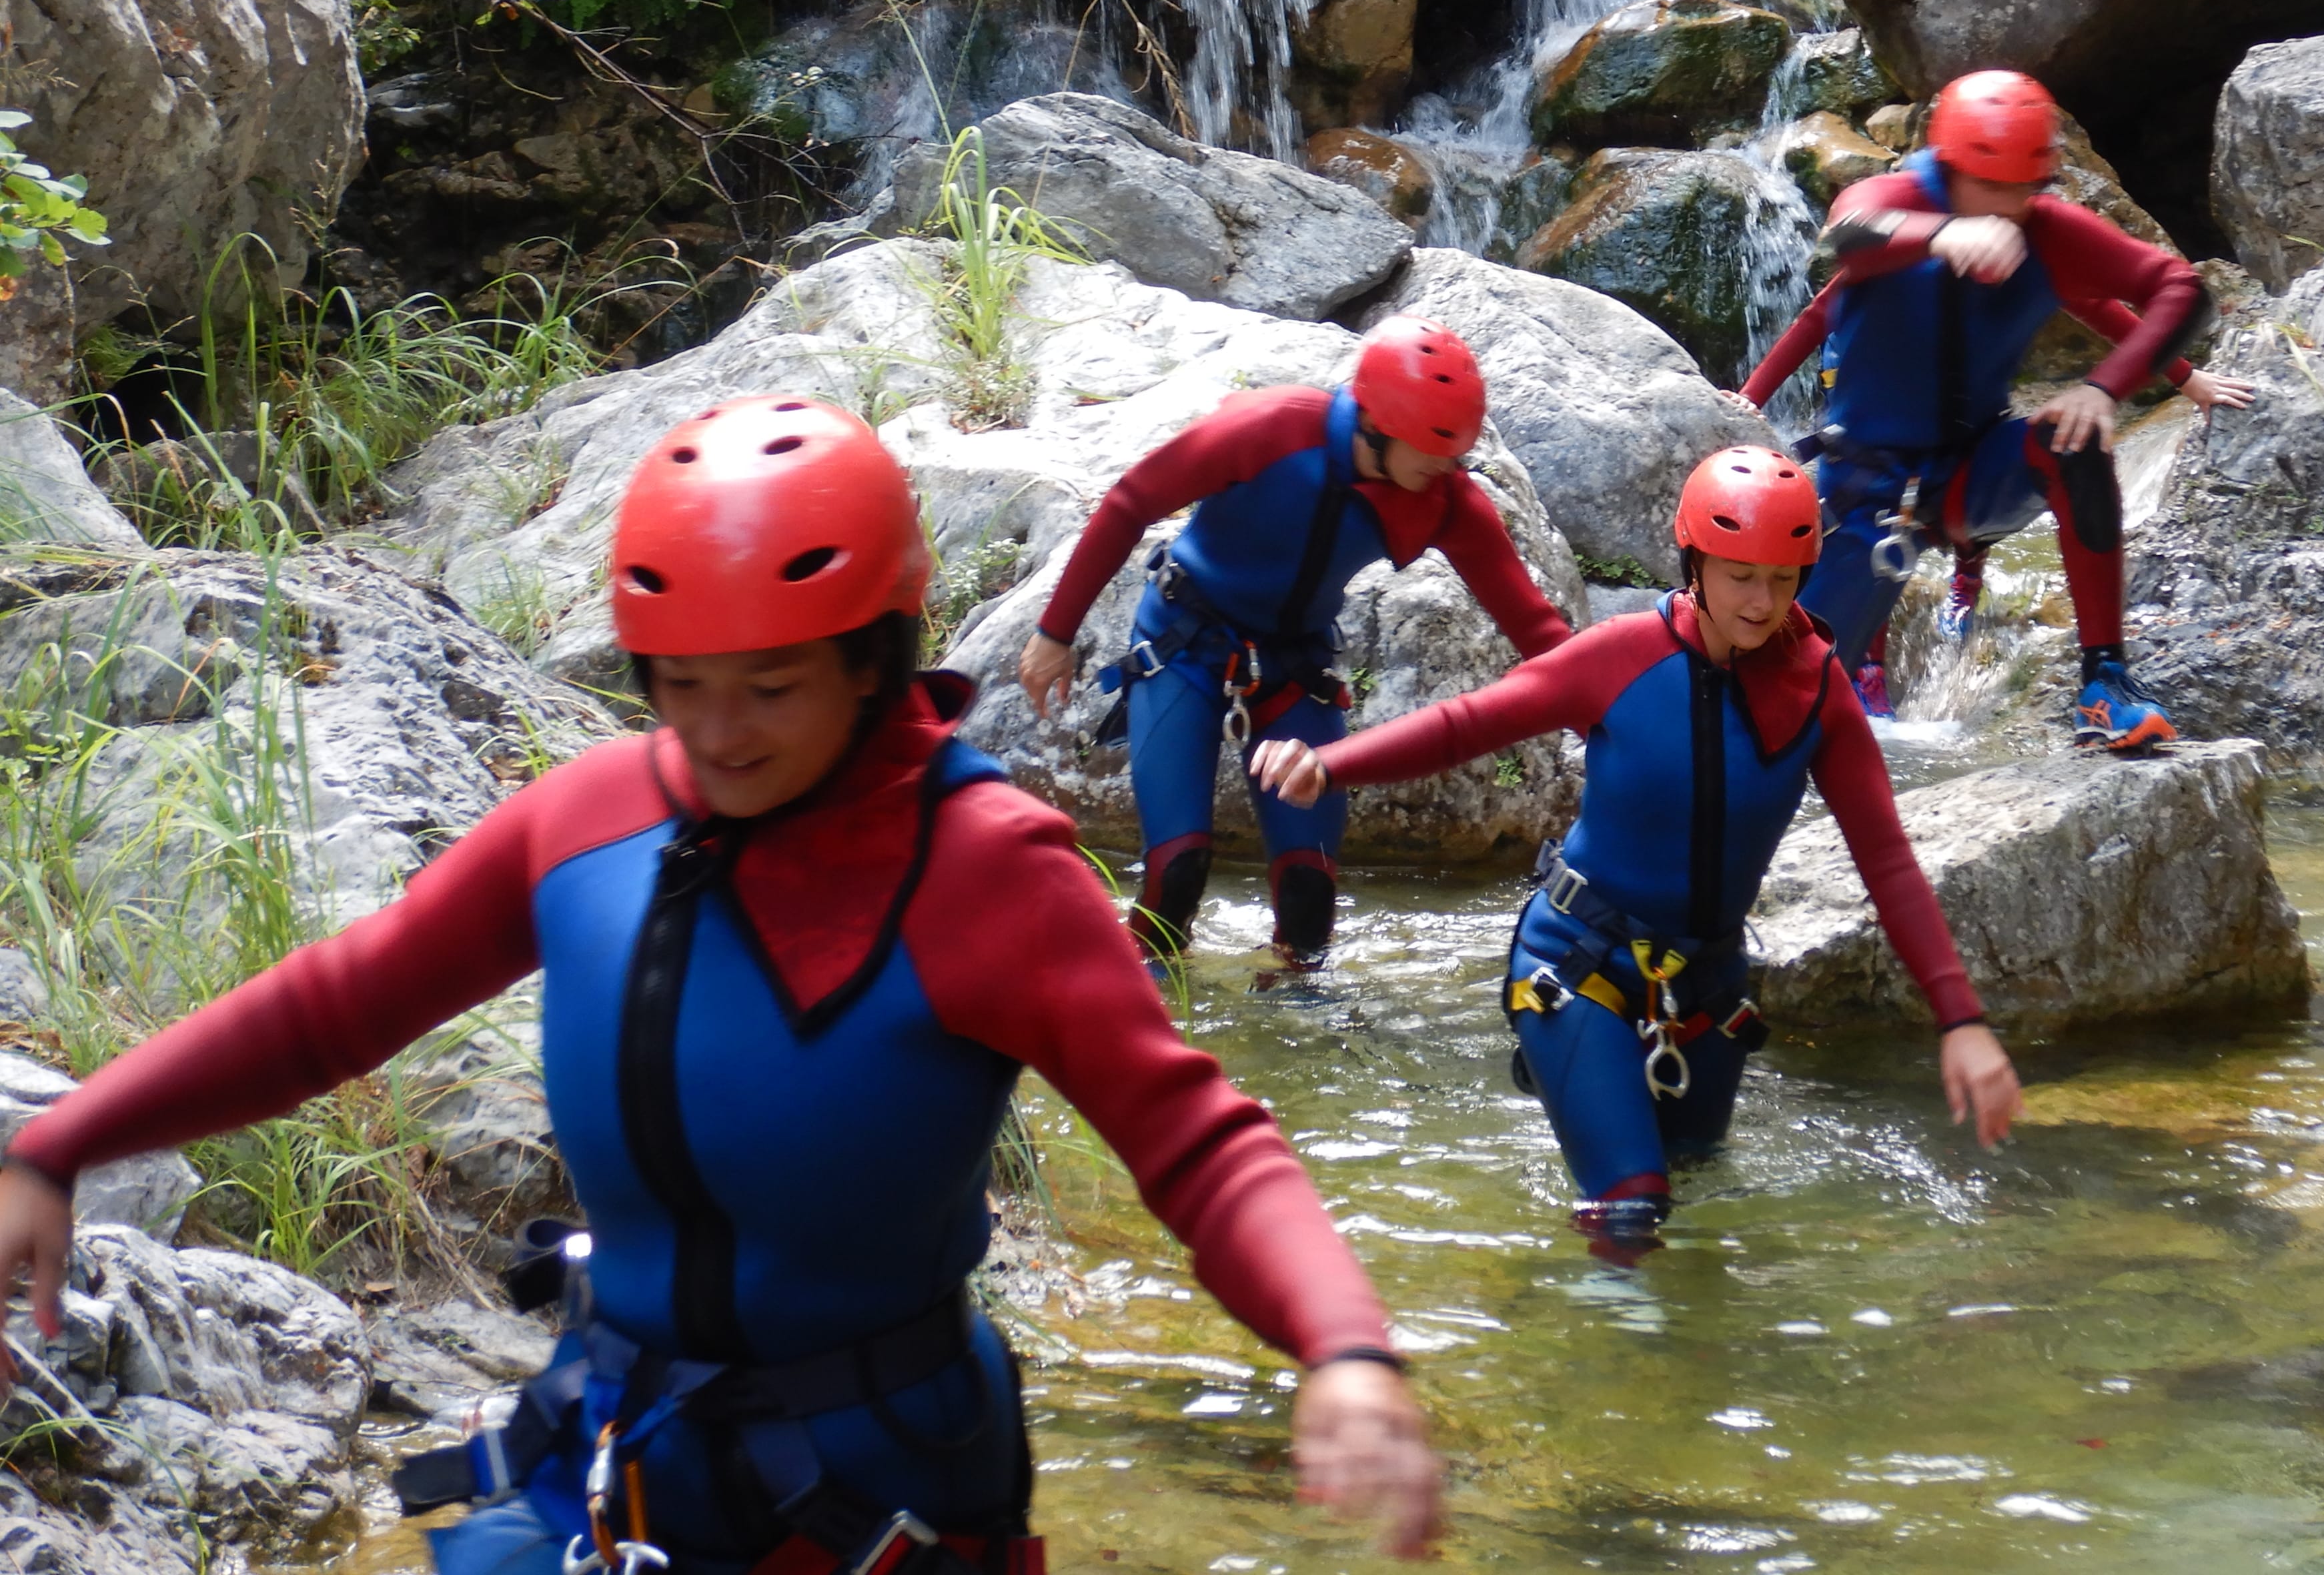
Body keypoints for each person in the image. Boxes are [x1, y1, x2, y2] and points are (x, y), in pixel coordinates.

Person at [0, 396, 1440, 1575]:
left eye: (770, 684)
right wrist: (60, 1143)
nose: (717, 732)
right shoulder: (592, 818)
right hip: (616, 1439)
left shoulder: (992, 870)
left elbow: (1196, 1144)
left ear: (875, 658)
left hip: (874, 1486)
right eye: (677, 684)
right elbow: (340, 1005)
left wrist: (1344, 1349)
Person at [1249, 447, 2021, 1259]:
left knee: (1694, 1194)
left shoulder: (1819, 687)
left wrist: (1960, 1020)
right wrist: (1331, 764)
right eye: (1740, 576)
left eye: (1784, 578)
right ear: (1695, 564)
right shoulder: (1619, 658)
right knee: (1630, 1208)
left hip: (1708, 992)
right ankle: (1594, 1372)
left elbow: (1888, 862)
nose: (1763, 604)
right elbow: (1470, 722)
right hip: (1577, 964)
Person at [1015, 317, 1572, 967]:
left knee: (1310, 900)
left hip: (1294, 667)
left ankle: (1289, 1031)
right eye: (1435, 451)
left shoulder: (1443, 499)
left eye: (1457, 454)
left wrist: (1611, 710)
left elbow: (1535, 626)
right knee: (1179, 871)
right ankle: (1140, 1014)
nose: (1449, 468)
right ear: (1376, 425)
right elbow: (1131, 502)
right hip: (1184, 647)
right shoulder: (1270, 429)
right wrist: (1055, 632)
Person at [1738, 68, 2257, 744]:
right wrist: (1937, 236)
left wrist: (2106, 388)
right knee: (1775, 709)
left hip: (1970, 477)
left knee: (2072, 443)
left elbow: (2178, 289)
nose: (2008, 206)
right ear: (1946, 166)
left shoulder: (2046, 231)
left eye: (2026, 189)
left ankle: (2105, 683)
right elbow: (1842, 237)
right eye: (1991, 187)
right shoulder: (1898, 200)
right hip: (1865, 492)